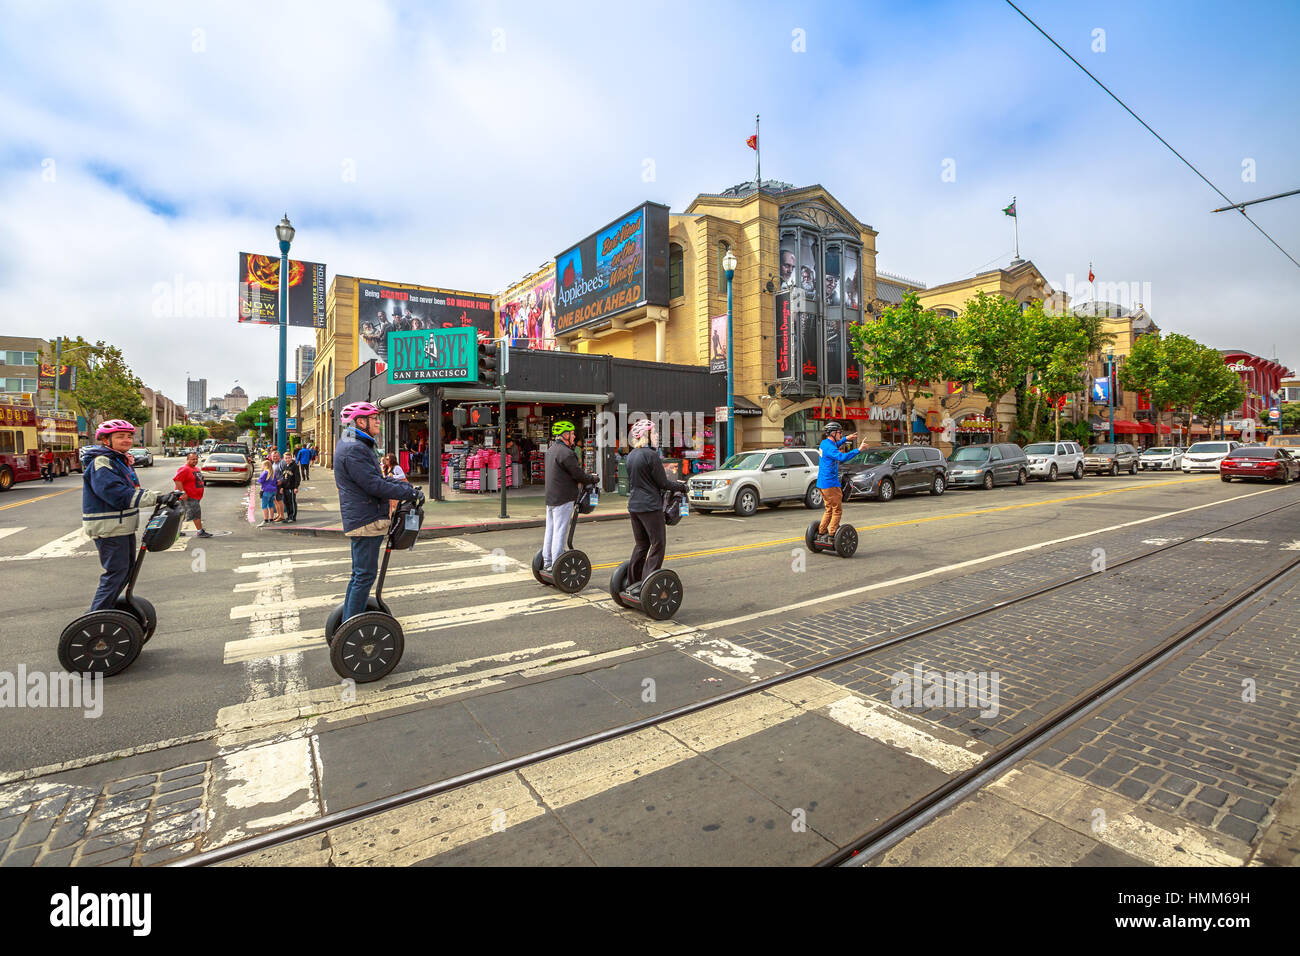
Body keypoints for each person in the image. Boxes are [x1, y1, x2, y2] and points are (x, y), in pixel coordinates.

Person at [335, 402, 422, 623]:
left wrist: (405, 488)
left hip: (363, 516)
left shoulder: (354, 444)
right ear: (360, 422)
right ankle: (351, 624)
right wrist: (410, 493)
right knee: (364, 576)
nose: (378, 421)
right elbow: (373, 485)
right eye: (374, 418)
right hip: (366, 519)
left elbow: (377, 480)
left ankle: (349, 620)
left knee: (360, 575)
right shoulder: (354, 448)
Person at [81, 420, 181, 611]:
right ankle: (96, 617)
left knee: (125, 572)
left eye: (129, 436)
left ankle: (106, 613)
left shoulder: (119, 460)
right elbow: (117, 494)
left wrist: (159, 497)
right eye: (120, 436)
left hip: (121, 526)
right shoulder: (102, 462)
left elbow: (133, 490)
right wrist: (157, 497)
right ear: (105, 440)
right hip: (109, 528)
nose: (127, 440)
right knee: (116, 572)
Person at [624, 418, 687, 595]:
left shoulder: (631, 456)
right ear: (646, 435)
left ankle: (633, 582)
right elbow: (663, 483)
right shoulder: (651, 455)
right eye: (654, 432)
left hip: (634, 505)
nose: (657, 435)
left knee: (641, 545)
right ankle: (647, 584)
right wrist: (681, 486)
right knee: (658, 544)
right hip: (650, 506)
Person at [542, 420, 597, 572]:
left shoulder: (551, 449)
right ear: (565, 435)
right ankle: (556, 564)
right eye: (572, 433)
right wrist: (592, 479)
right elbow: (577, 474)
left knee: (551, 529)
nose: (574, 436)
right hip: (563, 498)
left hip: (551, 497)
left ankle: (547, 561)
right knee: (560, 531)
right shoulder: (567, 453)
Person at [816, 421, 867, 538]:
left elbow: (835, 445)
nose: (841, 434)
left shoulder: (824, 443)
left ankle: (821, 532)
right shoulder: (830, 448)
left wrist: (845, 439)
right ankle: (832, 535)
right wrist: (858, 450)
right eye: (839, 432)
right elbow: (842, 457)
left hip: (822, 483)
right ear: (833, 433)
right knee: (837, 510)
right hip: (831, 484)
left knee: (829, 509)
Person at [173, 451, 212, 538]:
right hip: (189, 496)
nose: (195, 461)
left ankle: (176, 531)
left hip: (195, 496)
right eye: (192, 459)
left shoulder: (196, 469)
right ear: (187, 460)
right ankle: (200, 531)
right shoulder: (184, 469)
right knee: (196, 512)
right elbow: (177, 480)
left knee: (182, 514)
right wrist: (183, 493)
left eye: (196, 459)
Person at [280, 453, 301, 521]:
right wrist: (282, 487)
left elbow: (297, 478)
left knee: (291, 502)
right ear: (283, 459)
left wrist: (296, 487)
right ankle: (289, 516)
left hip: (291, 488)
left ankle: (293, 517)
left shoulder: (295, 466)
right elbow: (283, 478)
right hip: (285, 488)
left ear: (291, 458)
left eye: (289, 458)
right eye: (286, 458)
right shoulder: (285, 466)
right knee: (286, 502)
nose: (287, 459)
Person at [257, 458, 278, 524]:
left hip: (266, 491)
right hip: (273, 491)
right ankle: (271, 519)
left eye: (262, 465)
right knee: (271, 505)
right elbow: (275, 482)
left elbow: (260, 481)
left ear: (265, 466)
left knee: (264, 506)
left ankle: (266, 519)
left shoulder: (265, 472)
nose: (262, 467)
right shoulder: (273, 473)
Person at [270, 450, 287, 521]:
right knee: (275, 500)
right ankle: (278, 514)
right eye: (273, 456)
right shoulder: (273, 464)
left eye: (276, 456)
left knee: (279, 500)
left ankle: (282, 516)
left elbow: (286, 474)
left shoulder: (282, 463)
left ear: (279, 456)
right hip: (274, 484)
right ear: (271, 457)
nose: (275, 457)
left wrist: (282, 482)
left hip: (280, 485)